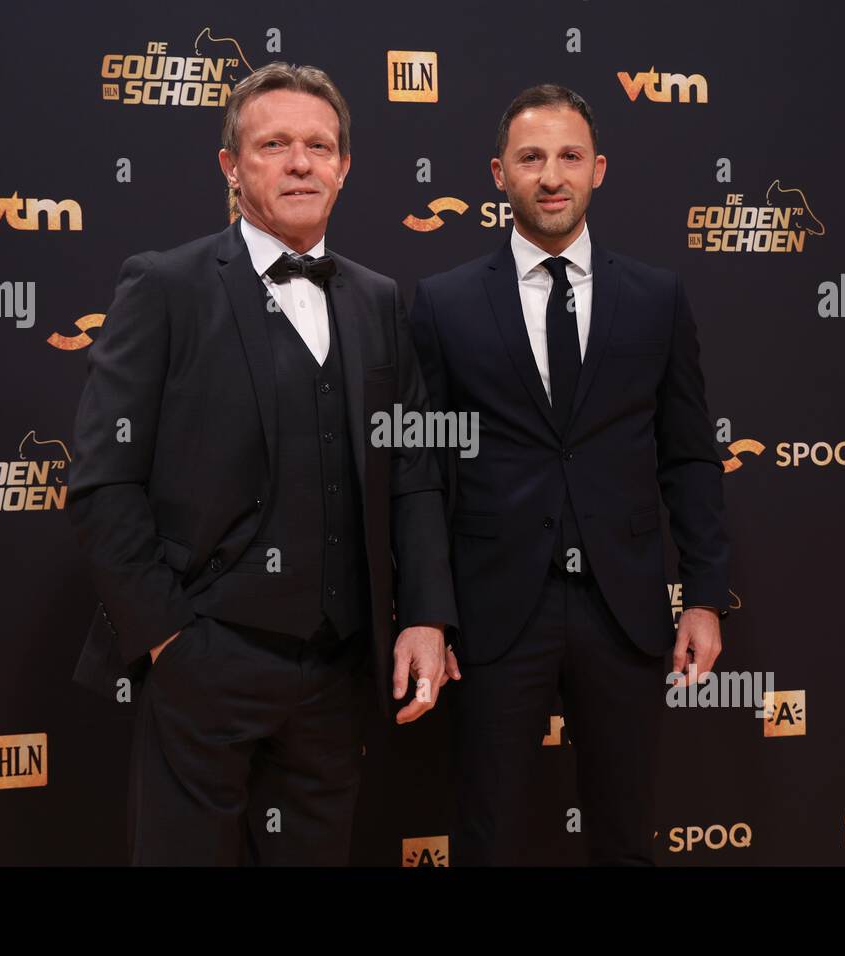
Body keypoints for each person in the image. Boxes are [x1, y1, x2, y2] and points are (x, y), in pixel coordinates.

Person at [66, 62, 457, 865]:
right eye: (274, 144)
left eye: (319, 145)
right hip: (206, 659)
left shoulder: (379, 299)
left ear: (345, 166)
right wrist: (168, 638)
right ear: (231, 165)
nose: (301, 162)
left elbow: (413, 471)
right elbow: (105, 478)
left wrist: (424, 615)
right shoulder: (165, 285)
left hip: (340, 668)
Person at [409, 84, 732, 865]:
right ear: (498, 173)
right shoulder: (444, 303)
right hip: (494, 611)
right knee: (488, 835)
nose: (551, 175)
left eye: (569, 157)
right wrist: (427, 610)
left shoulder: (656, 297)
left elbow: (689, 455)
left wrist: (705, 596)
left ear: (599, 169)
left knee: (625, 834)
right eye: (531, 158)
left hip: (622, 608)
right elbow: (418, 467)